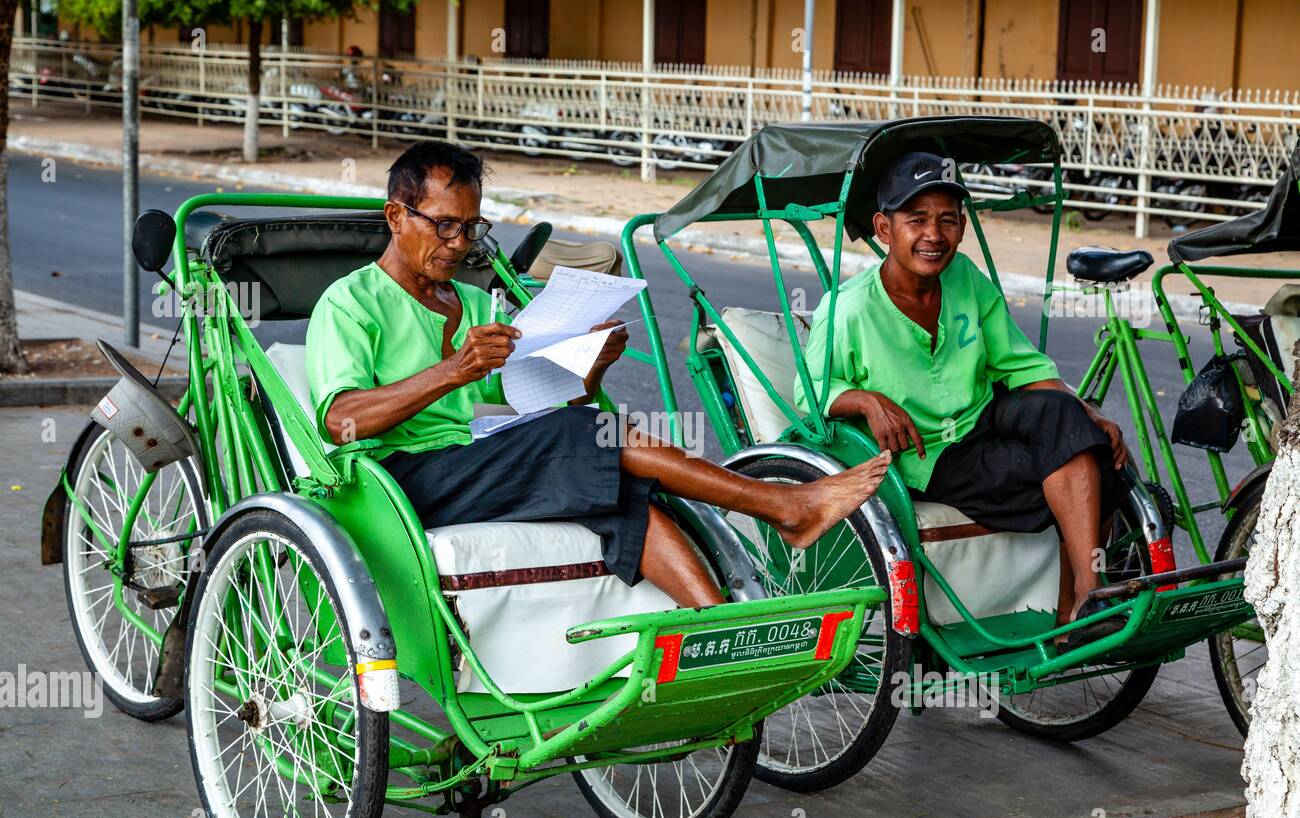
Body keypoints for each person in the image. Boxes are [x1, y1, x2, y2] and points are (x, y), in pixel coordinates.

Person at [307, 140, 891, 608]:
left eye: (472, 228)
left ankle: (717, 629)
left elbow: (531, 405)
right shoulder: (351, 301)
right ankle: (783, 506)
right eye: (443, 225)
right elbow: (342, 421)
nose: (459, 243)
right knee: (590, 438)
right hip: (397, 484)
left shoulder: (472, 303)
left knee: (622, 485)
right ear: (396, 216)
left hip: (471, 463)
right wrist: (453, 370)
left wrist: (588, 364)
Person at [795, 151, 1133, 645]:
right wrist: (865, 400)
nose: (934, 235)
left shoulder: (966, 278)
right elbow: (809, 392)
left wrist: (1088, 413)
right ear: (884, 229)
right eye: (917, 220)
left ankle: (1085, 594)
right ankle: (1074, 606)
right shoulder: (848, 309)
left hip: (982, 416)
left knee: (1070, 420)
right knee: (1093, 466)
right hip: (930, 454)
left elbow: (1023, 365)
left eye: (947, 221)